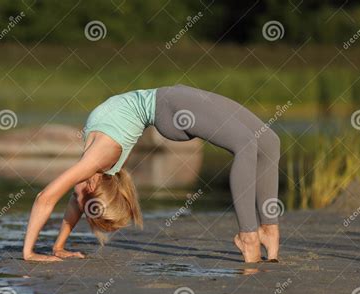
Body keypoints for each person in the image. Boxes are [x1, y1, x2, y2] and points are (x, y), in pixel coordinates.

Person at [23, 84, 281, 263]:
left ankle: (268, 230)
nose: (75, 202)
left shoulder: (94, 163)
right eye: (81, 204)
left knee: (269, 141)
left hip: (170, 100)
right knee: (246, 144)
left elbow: (45, 197)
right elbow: (75, 202)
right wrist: (58, 246)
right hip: (171, 107)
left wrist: (30, 252)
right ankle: (248, 236)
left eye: (81, 205)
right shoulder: (95, 168)